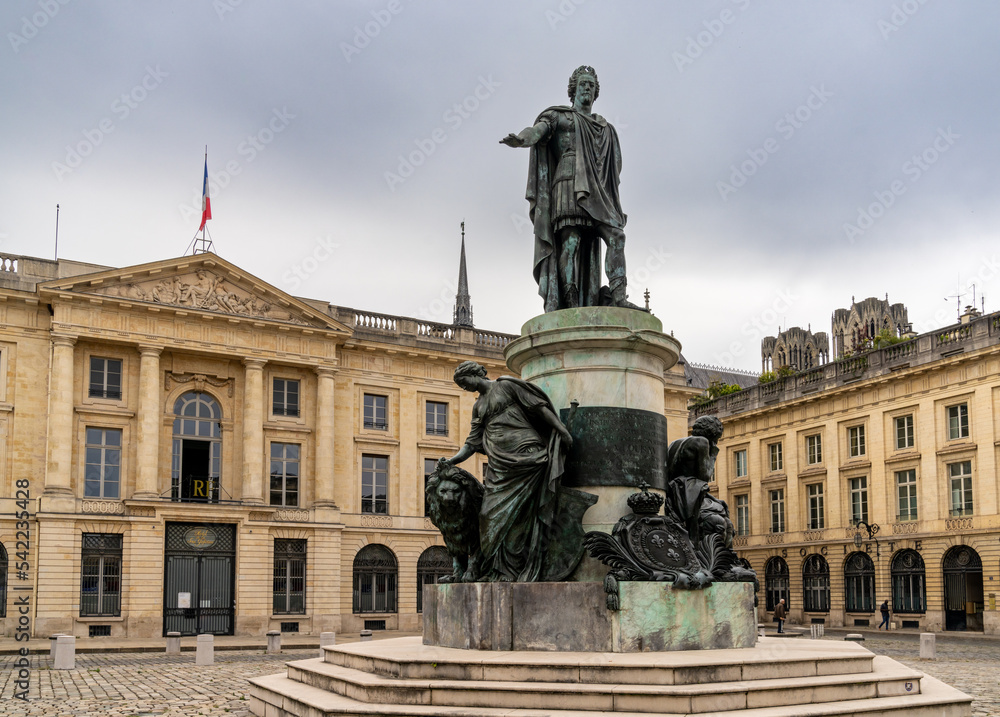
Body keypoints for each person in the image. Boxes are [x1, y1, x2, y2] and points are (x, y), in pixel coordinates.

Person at [501, 66, 635, 312]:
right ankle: (570, 300)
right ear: (573, 90)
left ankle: (619, 296)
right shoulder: (559, 117)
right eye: (583, 84)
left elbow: (614, 168)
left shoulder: (606, 128)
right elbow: (537, 132)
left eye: (591, 86)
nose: (587, 88)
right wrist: (522, 139)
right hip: (568, 182)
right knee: (570, 241)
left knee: (617, 236)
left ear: (595, 94)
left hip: (598, 191)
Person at [441, 361, 575, 582]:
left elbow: (538, 408)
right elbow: (472, 443)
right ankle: (498, 569)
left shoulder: (506, 385)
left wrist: (562, 430)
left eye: (465, 383)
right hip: (500, 465)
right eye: (461, 386)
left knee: (520, 517)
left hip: (526, 455)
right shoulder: (478, 406)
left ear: (476, 374)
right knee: (487, 515)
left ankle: (508, 571)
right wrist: (452, 461)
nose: (465, 388)